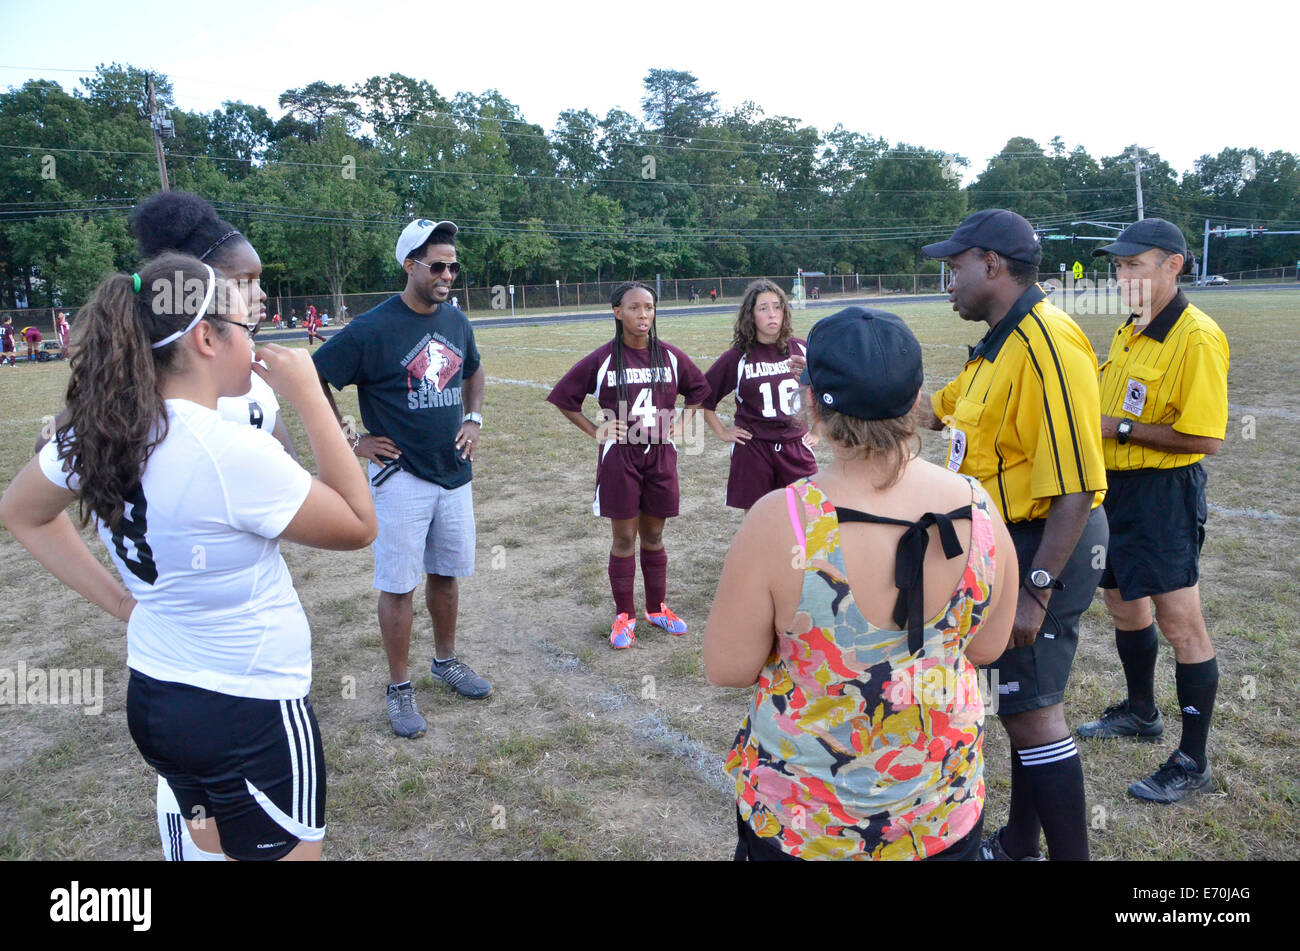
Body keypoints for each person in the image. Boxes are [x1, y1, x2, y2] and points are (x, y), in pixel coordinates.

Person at [0, 254, 377, 861]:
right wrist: (309, 394)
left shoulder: (99, 429)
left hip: (158, 699)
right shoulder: (228, 450)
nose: (254, 336)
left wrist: (124, 602)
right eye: (242, 324)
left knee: (211, 853)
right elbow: (359, 524)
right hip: (250, 706)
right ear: (206, 337)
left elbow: (21, 511)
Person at [704, 306, 1017, 860]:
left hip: (806, 823)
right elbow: (988, 647)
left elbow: (728, 668)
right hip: (939, 811)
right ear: (917, 398)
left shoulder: (782, 520)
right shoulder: (979, 506)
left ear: (811, 405)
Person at [920, 209, 1109, 861]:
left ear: (992, 265)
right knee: (1017, 703)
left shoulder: (1046, 340)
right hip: (1007, 542)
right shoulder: (998, 342)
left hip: (1046, 543)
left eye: (955, 265)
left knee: (1032, 711)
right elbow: (940, 409)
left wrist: (1035, 589)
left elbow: (1079, 484)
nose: (948, 280)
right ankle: (1020, 842)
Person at [313, 218, 490, 740]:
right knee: (397, 584)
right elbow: (315, 376)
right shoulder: (373, 326)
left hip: (453, 473)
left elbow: (474, 369)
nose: (447, 274)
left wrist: (473, 419)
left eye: (453, 266)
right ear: (409, 265)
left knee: (446, 573)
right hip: (399, 476)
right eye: (437, 265)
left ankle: (445, 661)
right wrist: (352, 439)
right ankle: (398, 687)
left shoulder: (455, 320)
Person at [1077, 219, 1230, 803]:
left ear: (1174, 265)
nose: (1122, 276)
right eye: (1117, 266)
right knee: (1121, 603)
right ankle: (1141, 712)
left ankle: (1193, 760)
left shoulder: (1196, 336)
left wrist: (1116, 426)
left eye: (1133, 265)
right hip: (1115, 489)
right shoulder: (1132, 328)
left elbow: (1206, 437)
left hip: (1163, 495)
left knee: (1179, 620)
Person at [547, 281, 711, 648]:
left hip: (660, 454)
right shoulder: (604, 358)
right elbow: (565, 398)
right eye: (634, 307)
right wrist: (595, 430)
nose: (643, 315)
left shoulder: (668, 356)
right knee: (624, 539)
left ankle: (657, 609)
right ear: (617, 312)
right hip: (621, 456)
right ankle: (625, 616)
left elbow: (699, 389)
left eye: (649, 307)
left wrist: (682, 425)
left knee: (654, 536)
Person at [701, 279, 818, 512]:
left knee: (812, 517)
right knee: (759, 519)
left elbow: (827, 391)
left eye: (777, 307)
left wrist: (818, 430)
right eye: (763, 308)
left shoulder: (803, 350)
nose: (772, 314)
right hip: (754, 450)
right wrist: (723, 432)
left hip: (795, 446)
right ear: (751, 315)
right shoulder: (737, 357)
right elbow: (703, 397)